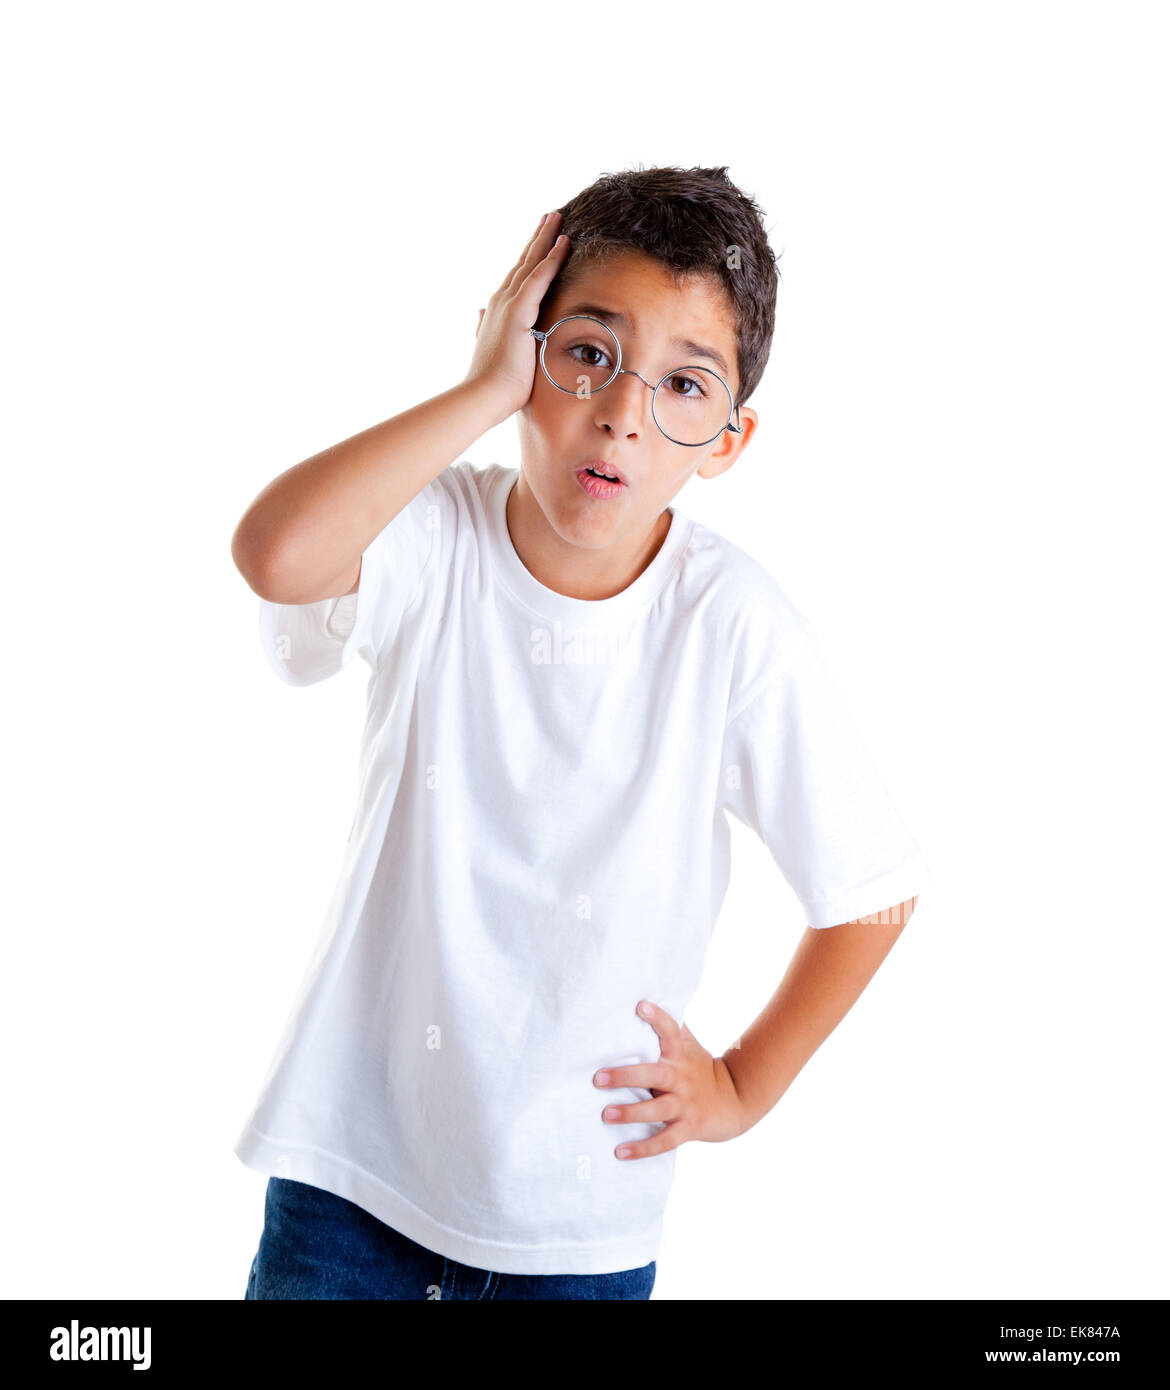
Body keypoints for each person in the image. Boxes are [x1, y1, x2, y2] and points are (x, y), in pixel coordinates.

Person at [230, 165, 931, 1301]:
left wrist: (744, 1085)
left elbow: (875, 891)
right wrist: (478, 389)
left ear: (730, 440)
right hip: (352, 1173)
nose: (621, 414)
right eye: (589, 353)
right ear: (529, 351)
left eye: (683, 386)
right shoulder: (434, 533)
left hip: (578, 1225)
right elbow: (274, 554)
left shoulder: (734, 628)